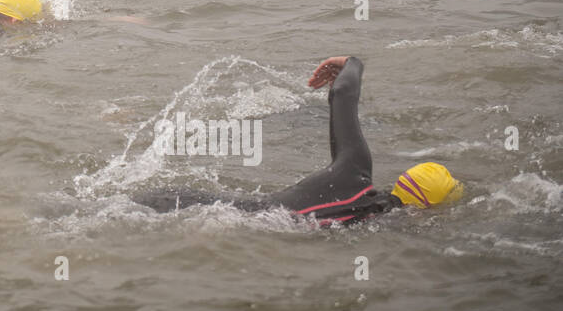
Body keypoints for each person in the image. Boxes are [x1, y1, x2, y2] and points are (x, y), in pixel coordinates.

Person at [136, 56, 463, 225]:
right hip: (204, 214)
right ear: (424, 209)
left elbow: (344, 94)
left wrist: (353, 62)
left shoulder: (354, 170)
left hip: (194, 204)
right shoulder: (375, 223)